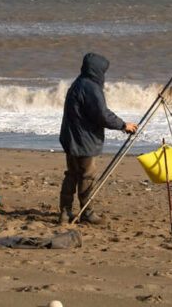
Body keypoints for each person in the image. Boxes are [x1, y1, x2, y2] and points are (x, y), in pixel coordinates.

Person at [58, 52, 138, 225]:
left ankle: (65, 213)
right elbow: (102, 115)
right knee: (87, 175)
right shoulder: (91, 87)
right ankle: (87, 213)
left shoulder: (78, 83)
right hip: (83, 140)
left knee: (72, 174)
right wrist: (123, 125)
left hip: (71, 138)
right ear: (97, 70)